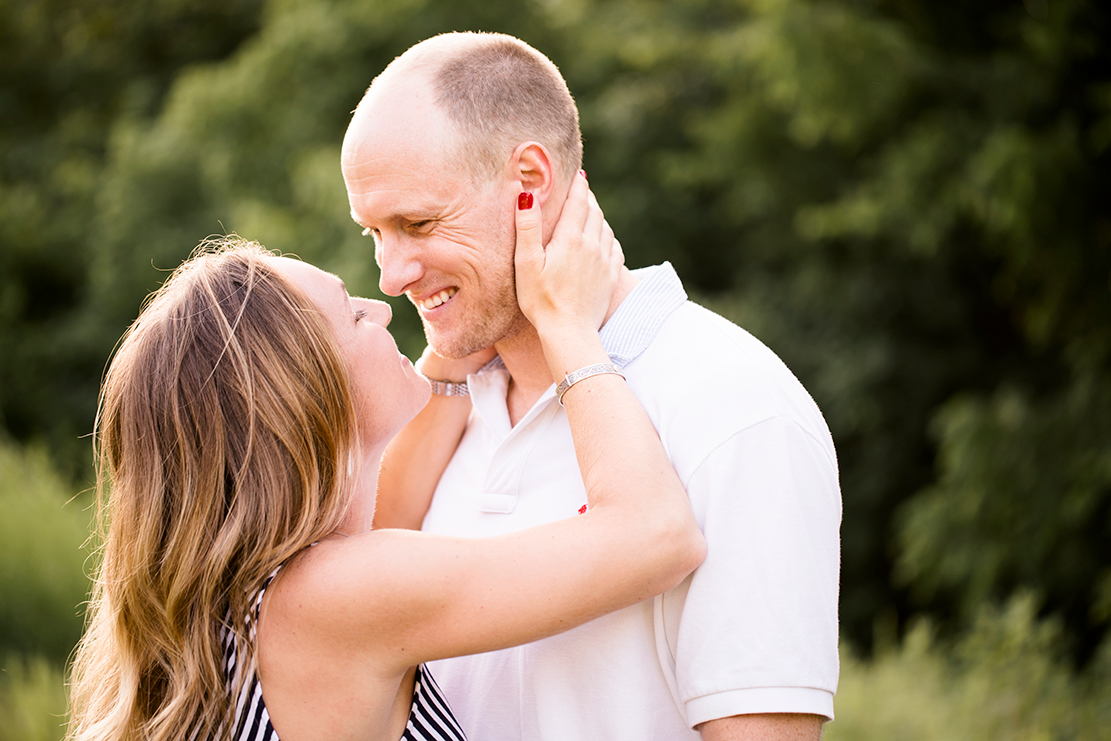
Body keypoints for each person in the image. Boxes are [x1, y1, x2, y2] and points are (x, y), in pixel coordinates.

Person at [65, 177, 706, 741]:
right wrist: (567, 325)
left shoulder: (250, 602)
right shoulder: (330, 597)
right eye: (351, 313)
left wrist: (466, 321)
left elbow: (391, 510)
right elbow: (656, 536)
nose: (379, 305)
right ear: (308, 395)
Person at [343, 32, 842, 740]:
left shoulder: (735, 406)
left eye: (417, 223)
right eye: (374, 234)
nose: (391, 277)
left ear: (530, 179)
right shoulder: (437, 410)